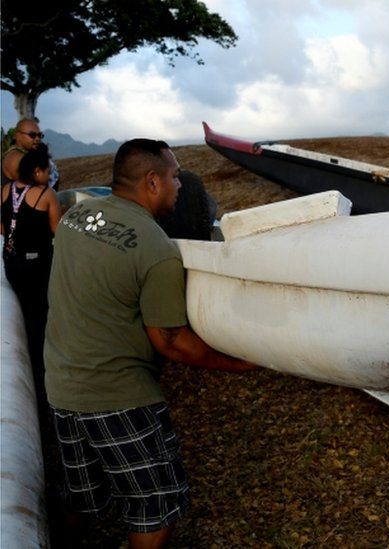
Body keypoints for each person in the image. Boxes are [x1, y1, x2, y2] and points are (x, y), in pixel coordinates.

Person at [43, 138, 257, 548]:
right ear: (153, 181)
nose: (180, 185)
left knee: (82, 494)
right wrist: (241, 362)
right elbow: (170, 341)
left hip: (62, 384)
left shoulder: (76, 217)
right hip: (117, 395)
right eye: (176, 177)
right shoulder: (156, 249)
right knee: (156, 504)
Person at [1, 143, 61, 382]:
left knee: (25, 313)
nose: (50, 176)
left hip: (11, 263)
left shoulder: (5, 190)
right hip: (38, 267)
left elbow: (3, 227)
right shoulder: (46, 194)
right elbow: (58, 230)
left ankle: (32, 366)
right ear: (37, 171)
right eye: (48, 171)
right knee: (40, 316)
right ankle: (42, 369)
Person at [3, 118, 59, 189]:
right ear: (18, 135)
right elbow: (39, 185)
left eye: (39, 135)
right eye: (32, 135)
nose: (37, 139)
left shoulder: (24, 153)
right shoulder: (16, 158)